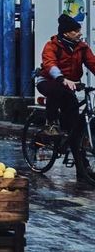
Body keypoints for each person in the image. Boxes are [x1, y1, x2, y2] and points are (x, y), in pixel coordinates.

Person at [37, 14, 95, 156]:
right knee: (57, 90)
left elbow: (92, 63)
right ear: (65, 33)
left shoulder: (82, 48)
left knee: (74, 127)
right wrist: (62, 78)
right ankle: (51, 123)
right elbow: (49, 64)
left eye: (79, 30)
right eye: (75, 31)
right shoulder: (52, 45)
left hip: (70, 85)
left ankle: (82, 168)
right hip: (48, 81)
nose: (79, 33)